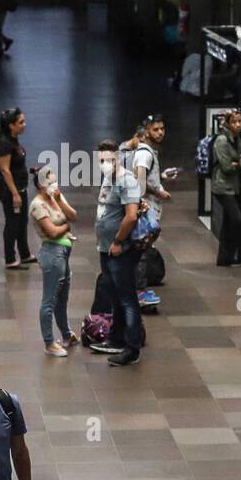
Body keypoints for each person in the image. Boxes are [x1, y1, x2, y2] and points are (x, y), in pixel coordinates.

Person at [91, 140, 145, 367]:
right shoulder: (108, 178)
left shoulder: (127, 180)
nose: (106, 164)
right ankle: (116, 338)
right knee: (115, 296)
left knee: (127, 300)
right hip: (106, 249)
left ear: (118, 158)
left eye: (110, 160)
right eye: (102, 161)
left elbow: (131, 216)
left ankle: (132, 348)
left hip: (119, 250)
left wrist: (117, 241)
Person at [28, 166, 81, 357]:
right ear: (41, 185)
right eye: (50, 182)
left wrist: (60, 201)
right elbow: (51, 232)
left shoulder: (56, 198)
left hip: (64, 254)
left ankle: (66, 334)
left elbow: (73, 215)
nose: (54, 185)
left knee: (63, 297)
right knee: (49, 299)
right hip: (52, 254)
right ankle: (49, 342)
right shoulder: (37, 205)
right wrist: (66, 226)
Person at [129, 114, 175, 307]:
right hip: (145, 209)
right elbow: (139, 183)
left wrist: (161, 178)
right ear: (146, 131)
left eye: (162, 128)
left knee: (142, 250)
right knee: (143, 251)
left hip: (147, 207)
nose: (160, 132)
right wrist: (159, 191)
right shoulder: (145, 154)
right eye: (156, 129)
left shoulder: (148, 152)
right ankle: (139, 291)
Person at [0, 108, 33, 269]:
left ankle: (25, 254)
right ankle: (10, 258)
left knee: (22, 221)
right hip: (11, 191)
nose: (24, 124)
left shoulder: (14, 140)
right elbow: (5, 170)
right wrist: (15, 193)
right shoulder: (4, 143)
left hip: (20, 188)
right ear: (11, 125)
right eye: (21, 122)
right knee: (12, 223)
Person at [211, 109, 241, 266]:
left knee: (228, 221)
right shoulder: (222, 140)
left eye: (240, 121)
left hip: (232, 186)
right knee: (236, 219)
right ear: (227, 123)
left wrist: (238, 163)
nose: (238, 125)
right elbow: (226, 167)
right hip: (222, 186)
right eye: (234, 122)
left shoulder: (236, 138)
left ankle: (224, 259)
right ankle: (230, 255)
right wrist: (238, 163)